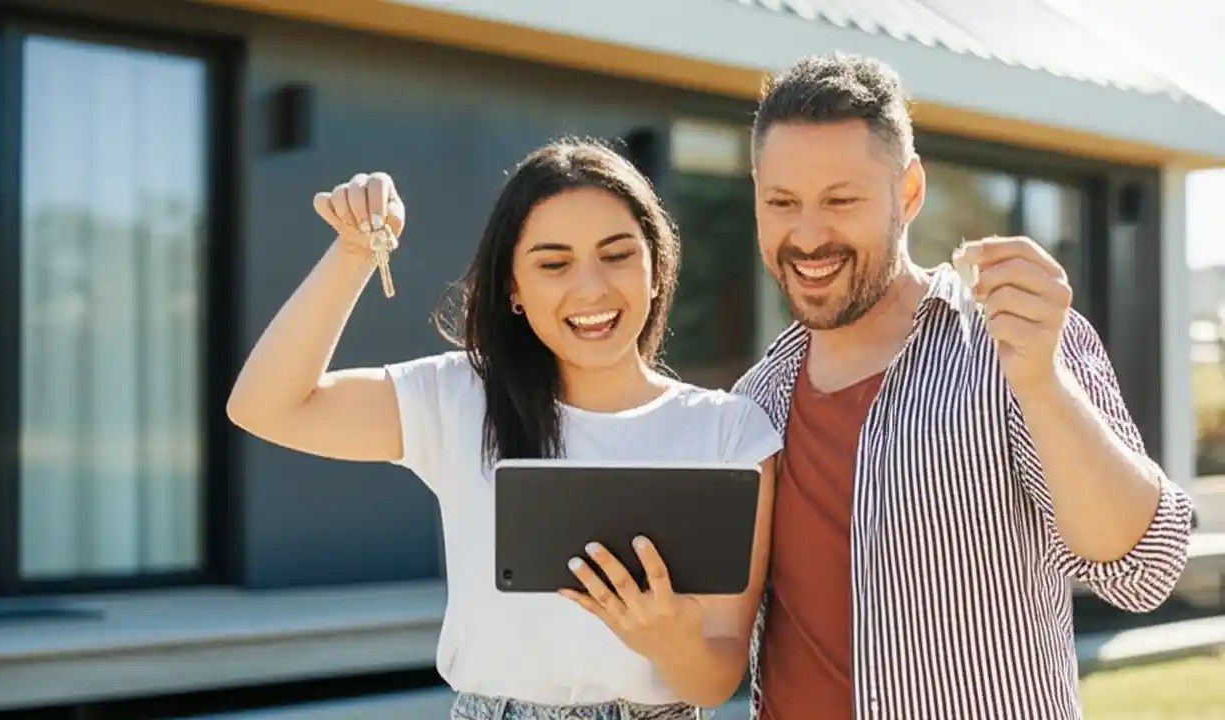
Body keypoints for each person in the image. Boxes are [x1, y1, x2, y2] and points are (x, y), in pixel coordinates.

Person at [226, 138, 782, 720]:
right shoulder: (461, 398)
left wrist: (665, 635)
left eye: (617, 254)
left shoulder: (730, 431)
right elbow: (265, 407)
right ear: (513, 288)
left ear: (656, 267)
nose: (591, 288)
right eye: (553, 263)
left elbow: (716, 680)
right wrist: (353, 253)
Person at [732, 54, 1195, 720]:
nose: (808, 235)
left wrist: (1042, 384)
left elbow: (1144, 567)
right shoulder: (754, 404)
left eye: (841, 200)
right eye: (781, 202)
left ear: (909, 192)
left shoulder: (1015, 344)